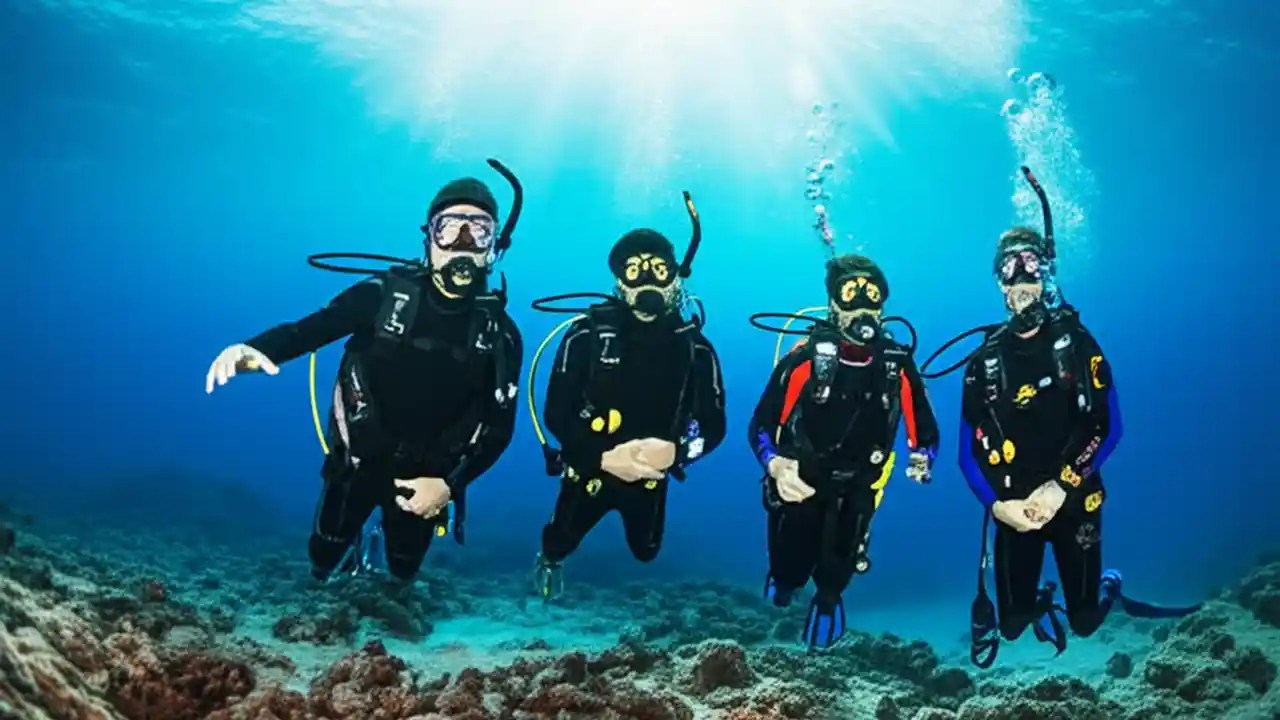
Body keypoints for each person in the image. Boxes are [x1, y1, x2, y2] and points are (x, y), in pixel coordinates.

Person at [205, 171, 523, 585]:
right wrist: (258, 348)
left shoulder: (500, 334)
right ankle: (345, 552)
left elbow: (499, 430)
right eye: (449, 228)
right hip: (359, 457)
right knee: (323, 554)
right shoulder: (383, 295)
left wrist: (447, 485)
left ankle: (387, 554)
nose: (463, 242)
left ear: (493, 248)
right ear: (429, 239)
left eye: (479, 230)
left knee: (405, 567)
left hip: (427, 475)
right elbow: (311, 329)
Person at [957, 224, 1197, 666]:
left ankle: (1110, 587)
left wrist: (1061, 485)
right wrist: (996, 506)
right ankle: (1041, 596)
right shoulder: (982, 363)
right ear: (998, 281)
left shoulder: (1076, 343)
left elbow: (1111, 426)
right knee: (1010, 626)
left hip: (1074, 499)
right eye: (1010, 268)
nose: (1021, 279)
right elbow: (965, 453)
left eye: (1031, 265)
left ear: (1045, 274)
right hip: (1017, 509)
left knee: (1085, 622)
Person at [747, 254, 939, 650]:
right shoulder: (805, 359)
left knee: (836, 575)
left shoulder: (896, 365)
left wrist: (923, 458)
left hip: (859, 487)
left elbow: (925, 431)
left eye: (872, 295)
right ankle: (782, 586)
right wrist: (776, 464)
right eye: (850, 294)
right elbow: (761, 427)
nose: (862, 306)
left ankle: (828, 603)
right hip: (800, 482)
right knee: (789, 569)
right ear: (833, 304)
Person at [531, 223, 726, 600]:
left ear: (676, 278)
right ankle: (549, 561)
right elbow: (556, 413)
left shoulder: (696, 350)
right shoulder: (585, 335)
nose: (646, 281)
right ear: (619, 282)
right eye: (633, 271)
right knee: (559, 542)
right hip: (589, 468)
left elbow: (715, 427)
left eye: (659, 269)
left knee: (646, 552)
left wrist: (679, 453)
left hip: (651, 477)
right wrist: (601, 457)